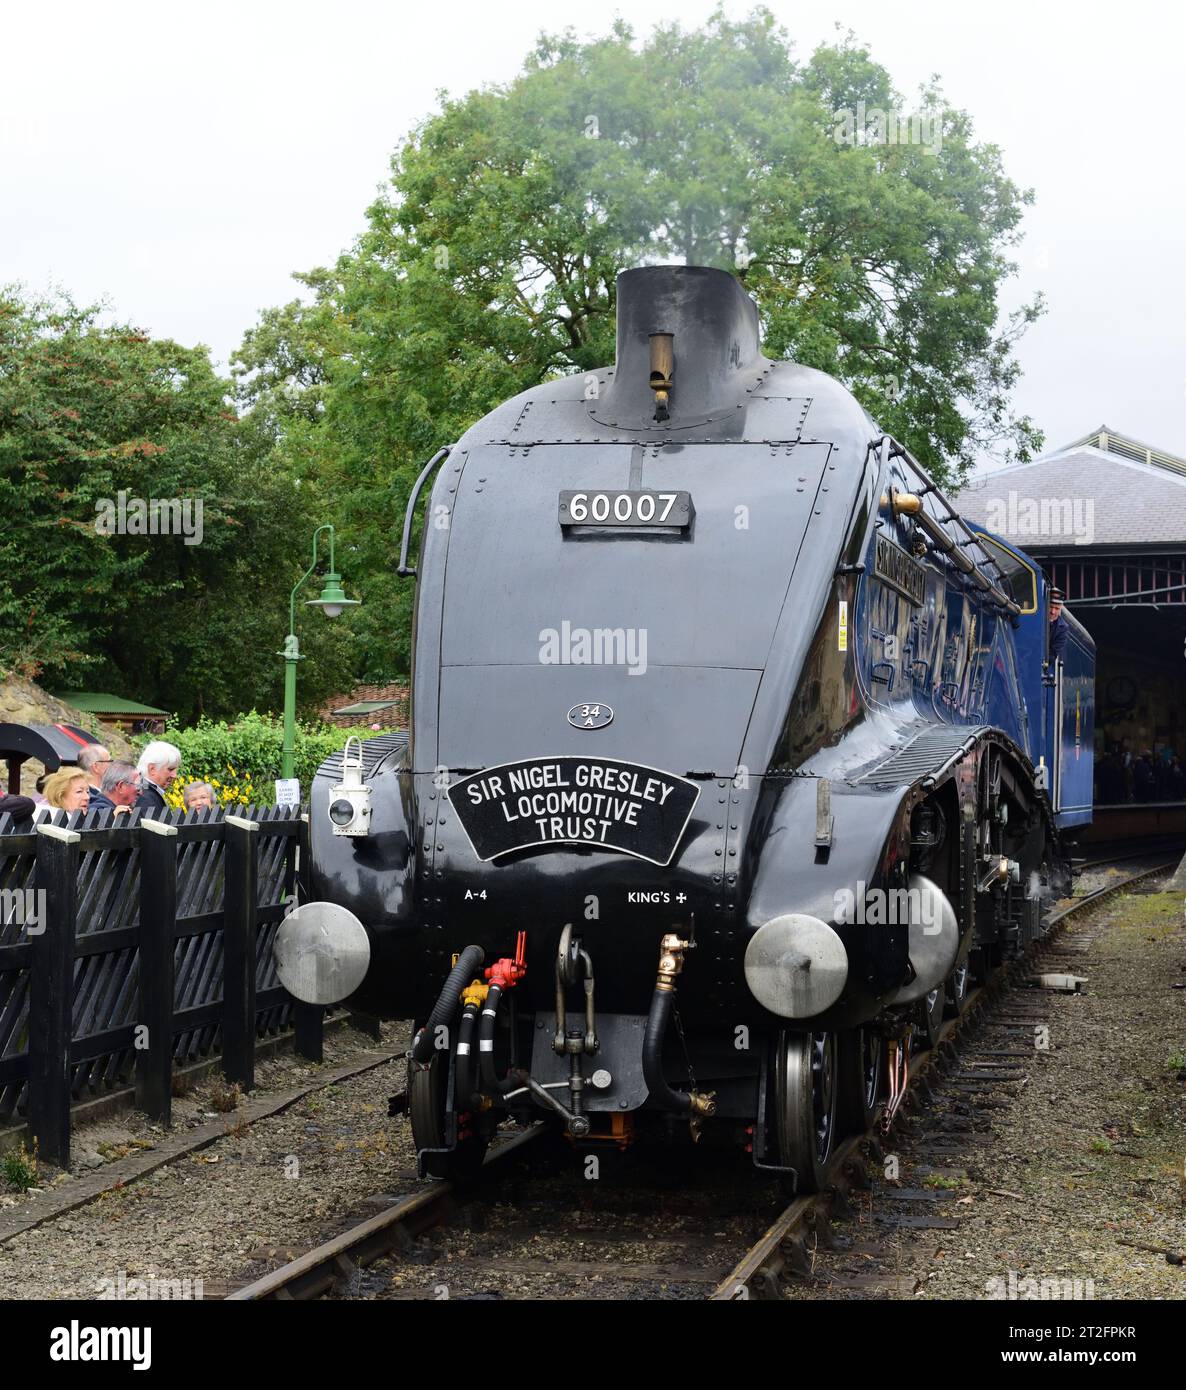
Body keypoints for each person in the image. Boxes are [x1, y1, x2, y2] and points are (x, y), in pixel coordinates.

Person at [135, 740, 181, 815]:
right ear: (152, 769)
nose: (174, 775)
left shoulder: (145, 792)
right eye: (170, 769)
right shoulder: (146, 798)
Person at [1048, 586, 1069, 663]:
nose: (1053, 612)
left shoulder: (1063, 628)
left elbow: (1052, 655)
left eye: (1057, 608)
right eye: (1050, 607)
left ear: (1060, 608)